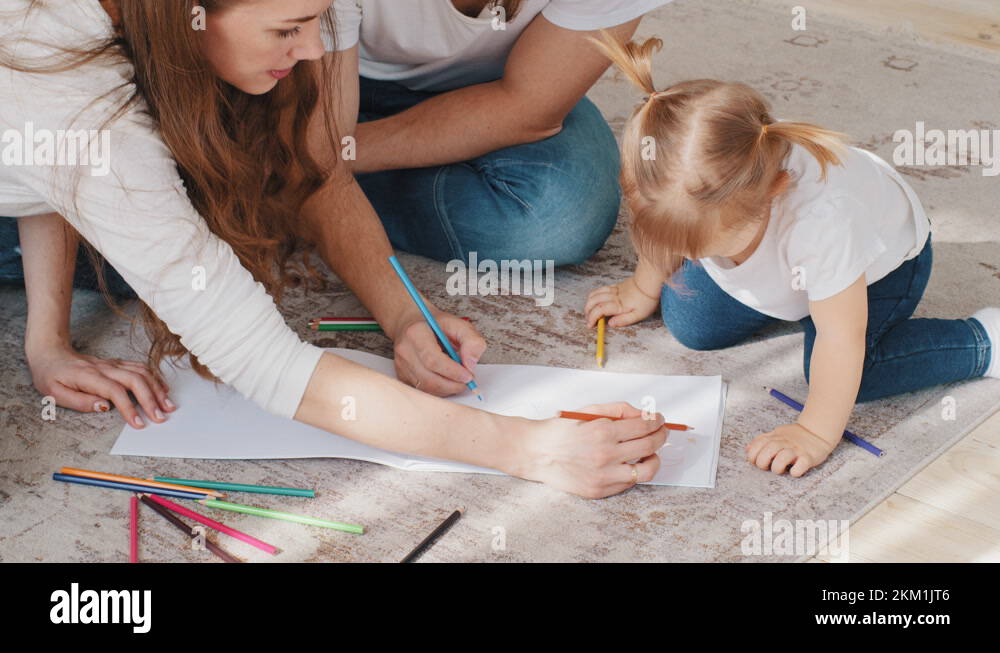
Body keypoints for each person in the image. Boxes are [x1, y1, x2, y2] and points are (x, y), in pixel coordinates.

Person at [0, 1, 669, 499]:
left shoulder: (101, 70)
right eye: (288, 29)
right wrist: (529, 447)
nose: (314, 51)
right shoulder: (90, 118)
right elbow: (269, 365)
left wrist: (47, 341)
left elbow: (53, 163)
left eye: (321, 21)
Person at [584, 33, 999, 477]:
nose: (686, 255)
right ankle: (801, 299)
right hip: (793, 266)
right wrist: (644, 285)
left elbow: (842, 337)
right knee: (692, 324)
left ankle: (984, 341)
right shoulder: (697, 174)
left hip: (881, 270)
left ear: (774, 194)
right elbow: (670, 233)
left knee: (856, 373)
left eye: (700, 248)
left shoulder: (822, 222)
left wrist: (816, 432)